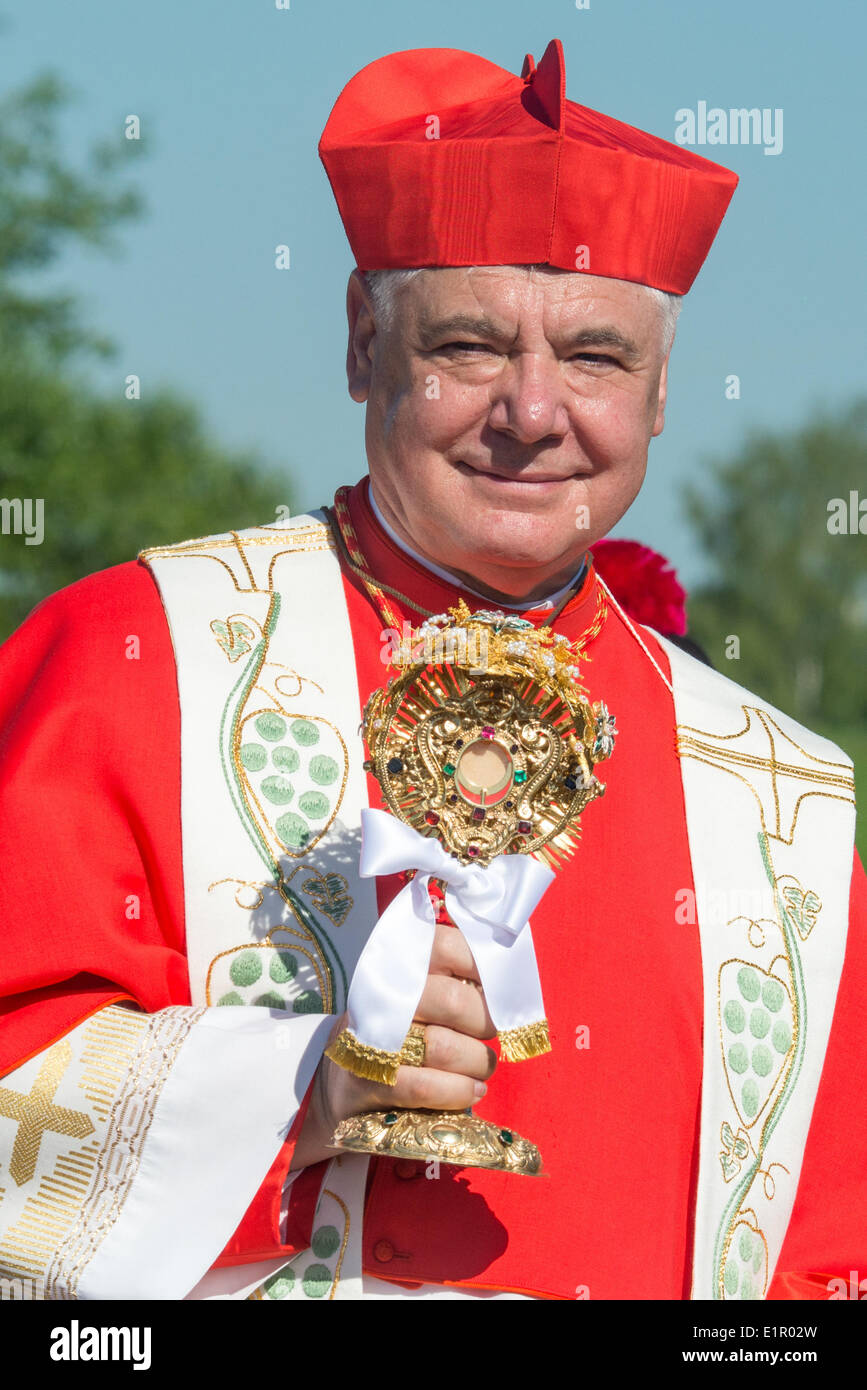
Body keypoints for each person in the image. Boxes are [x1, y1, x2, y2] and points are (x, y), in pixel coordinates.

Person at [0, 38, 864, 1303]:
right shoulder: (136, 658)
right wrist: (296, 1090)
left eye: (595, 357)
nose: (529, 409)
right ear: (364, 342)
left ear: (665, 387)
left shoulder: (780, 802)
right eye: (467, 346)